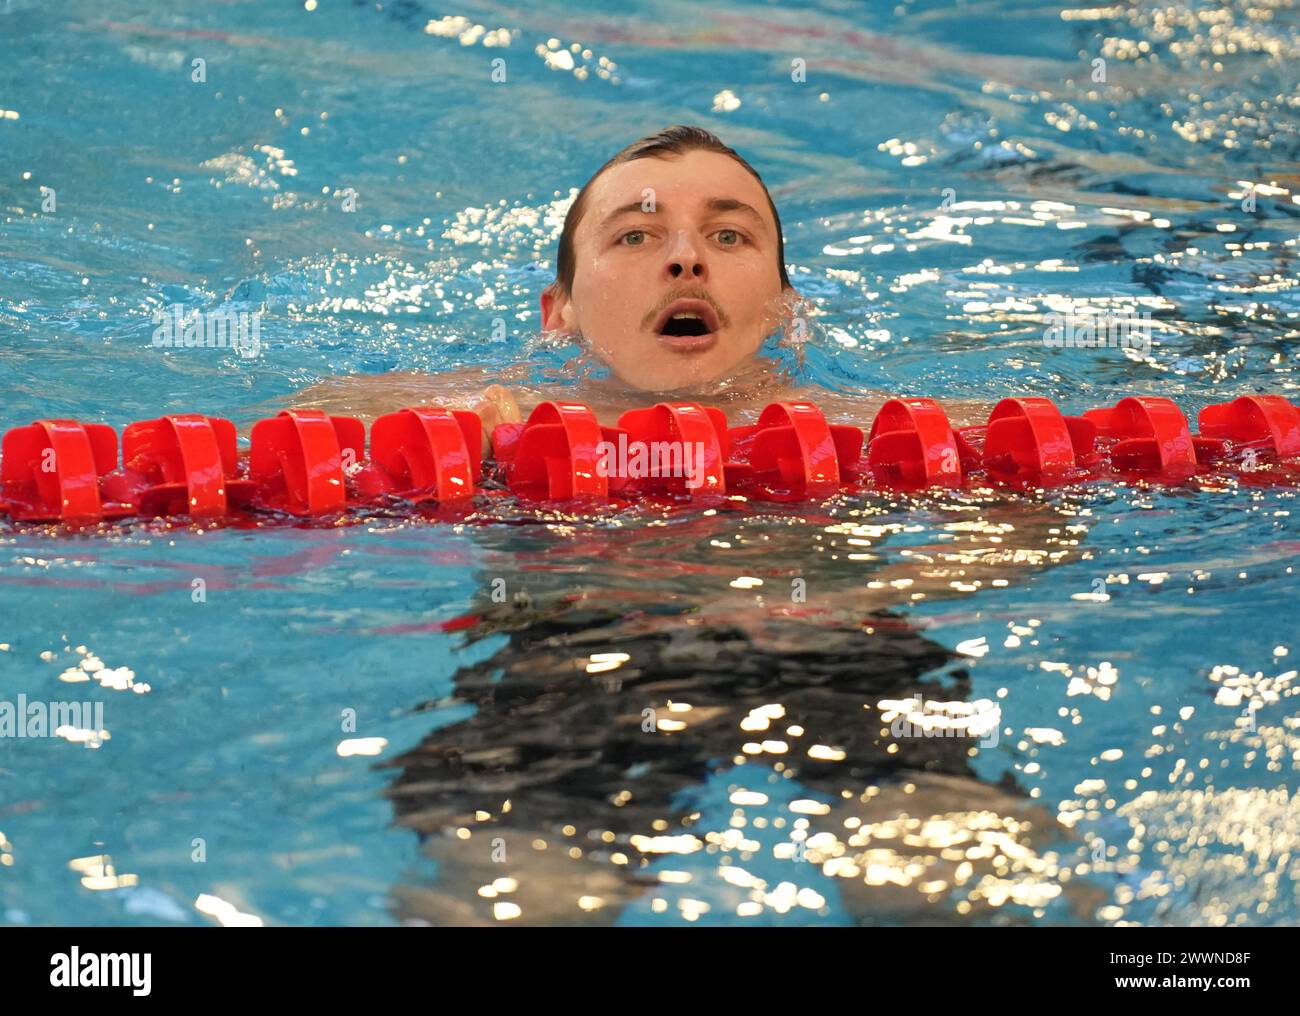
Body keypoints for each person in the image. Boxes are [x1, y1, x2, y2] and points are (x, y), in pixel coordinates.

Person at [291, 125, 949, 452]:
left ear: (790, 312)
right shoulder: (480, 415)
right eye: (636, 236)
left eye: (728, 237)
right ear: (559, 313)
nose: (687, 259)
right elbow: (289, 431)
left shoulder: (884, 433)